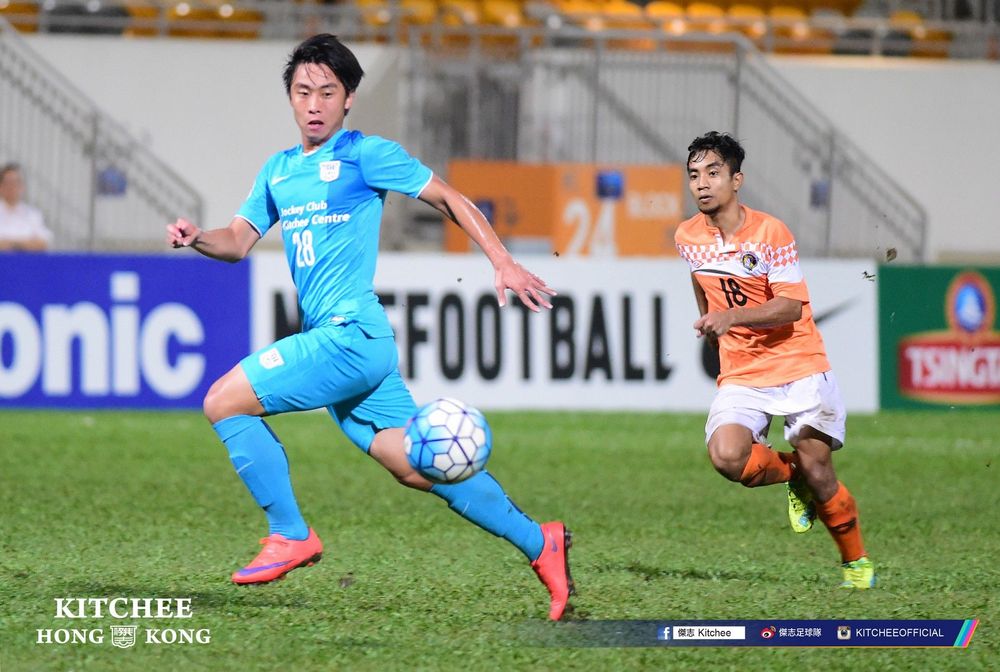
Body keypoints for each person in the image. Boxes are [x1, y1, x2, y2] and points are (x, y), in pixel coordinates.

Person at [166, 34, 574, 620]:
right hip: (358, 349)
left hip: (348, 335)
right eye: (303, 92)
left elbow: (451, 198)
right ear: (289, 97)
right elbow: (236, 242)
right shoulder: (278, 171)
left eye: (327, 92)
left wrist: (502, 259)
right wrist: (196, 237)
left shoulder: (365, 154)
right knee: (415, 464)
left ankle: (290, 533)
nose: (314, 104)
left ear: (349, 98)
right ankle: (542, 542)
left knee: (223, 402)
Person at [674, 131, 875, 589]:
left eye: (713, 173)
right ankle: (793, 475)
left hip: (797, 361)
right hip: (742, 369)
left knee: (821, 469)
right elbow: (699, 279)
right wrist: (708, 321)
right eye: (693, 175)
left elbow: (790, 307)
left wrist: (731, 316)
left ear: (736, 179)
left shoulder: (770, 232)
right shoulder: (688, 235)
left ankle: (856, 562)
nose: (702, 184)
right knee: (727, 457)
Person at [0, 163, 53, 251]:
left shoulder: (33, 214)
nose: (11, 187)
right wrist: (24, 244)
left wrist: (11, 244)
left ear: (22, 187)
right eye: (8, 183)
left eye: (15, 182)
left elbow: (43, 242)